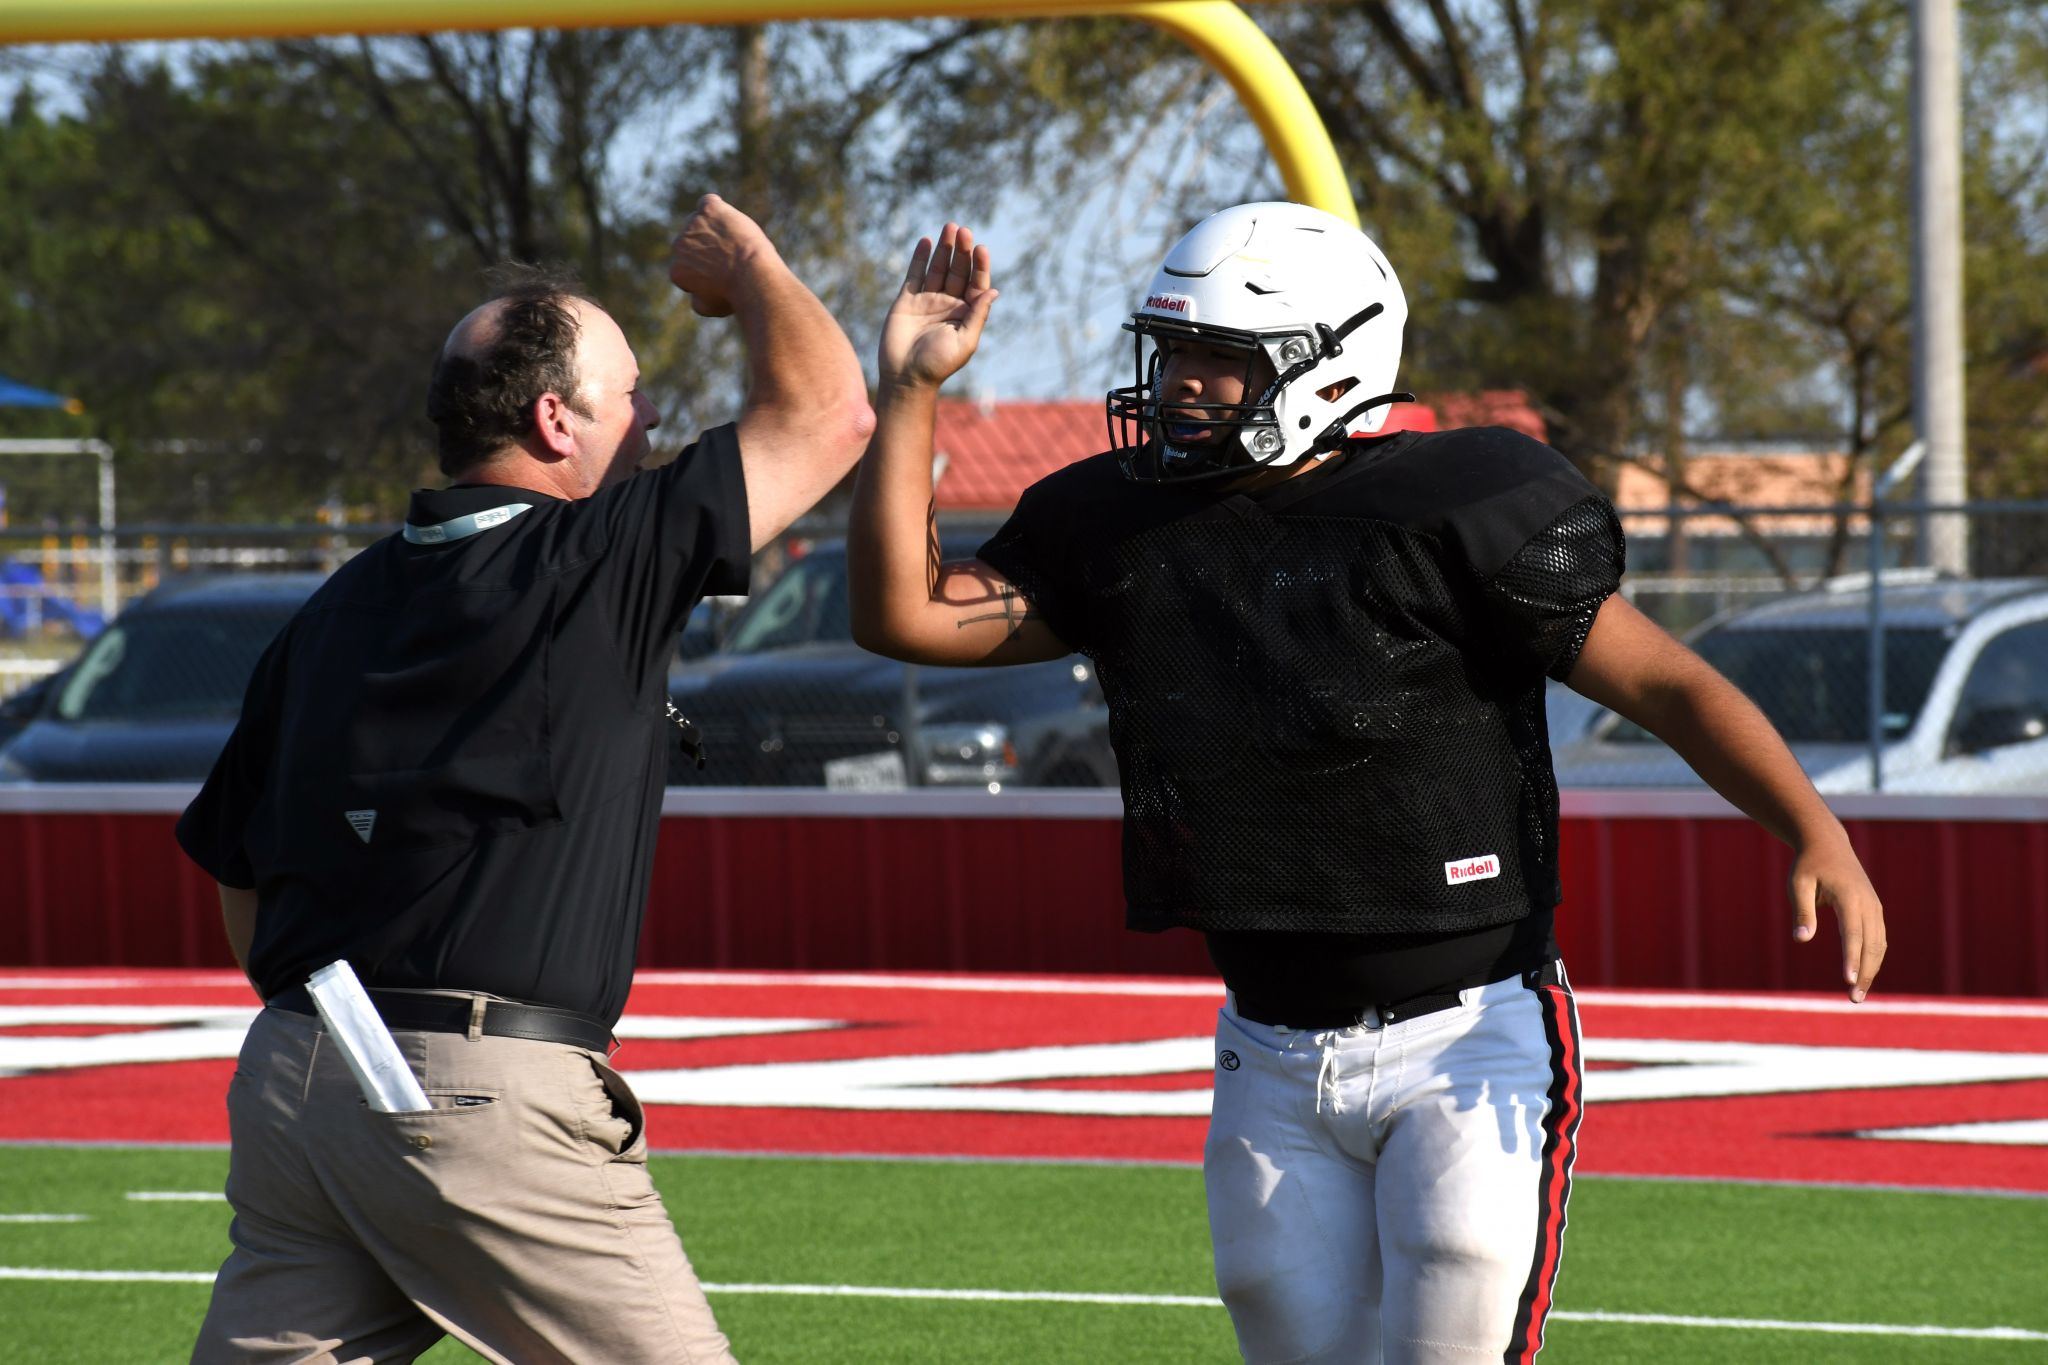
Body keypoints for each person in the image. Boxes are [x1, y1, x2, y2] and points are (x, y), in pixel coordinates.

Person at [846, 205, 1888, 1364]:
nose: (1180, 387)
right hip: (1266, 1045)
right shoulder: (1122, 522)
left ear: (1327, 365)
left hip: (1468, 1035)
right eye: (1174, 354)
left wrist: (1812, 831)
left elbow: (1671, 687)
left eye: (1218, 363)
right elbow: (902, 613)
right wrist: (908, 392)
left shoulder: (1448, 505)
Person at [175, 194, 874, 1364]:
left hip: (300, 1077)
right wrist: (748, 266)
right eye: (633, 396)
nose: (653, 422)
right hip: (474, 1098)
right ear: (557, 419)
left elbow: (236, 869)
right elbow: (826, 415)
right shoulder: (595, 554)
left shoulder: (335, 603)